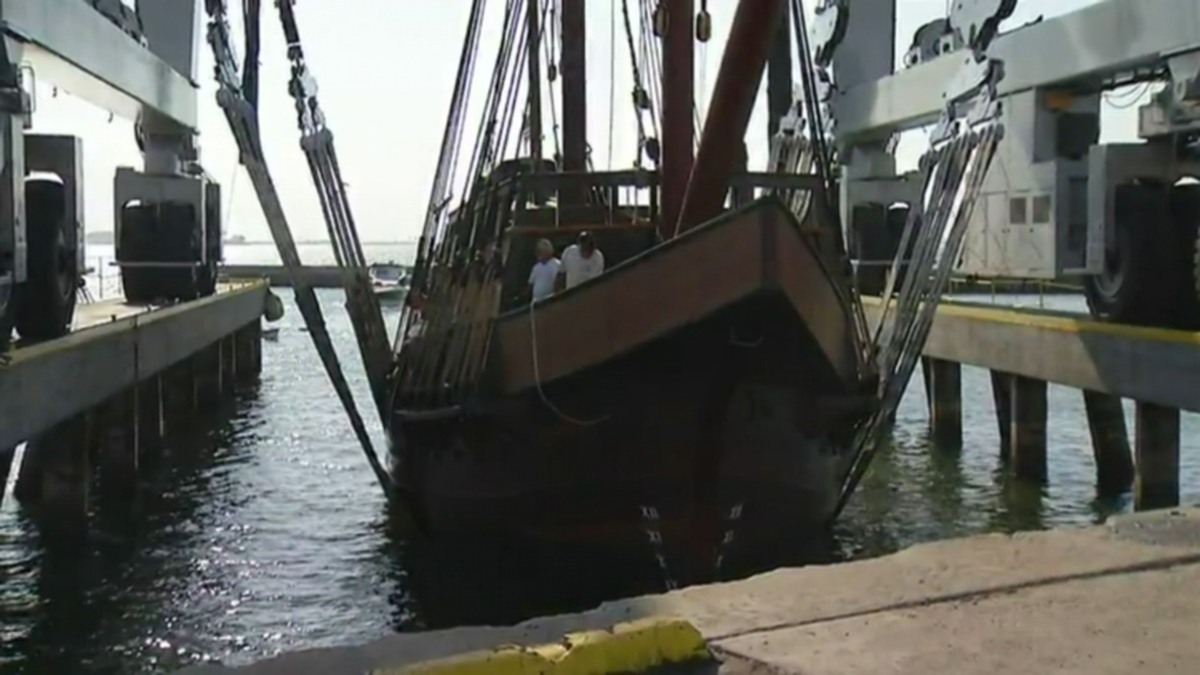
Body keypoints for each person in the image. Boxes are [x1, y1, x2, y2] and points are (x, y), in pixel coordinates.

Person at [527, 238, 561, 302]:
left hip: (550, 301)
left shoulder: (556, 265)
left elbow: (558, 284)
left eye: (539, 251)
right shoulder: (536, 267)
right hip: (536, 301)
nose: (537, 253)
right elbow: (531, 283)